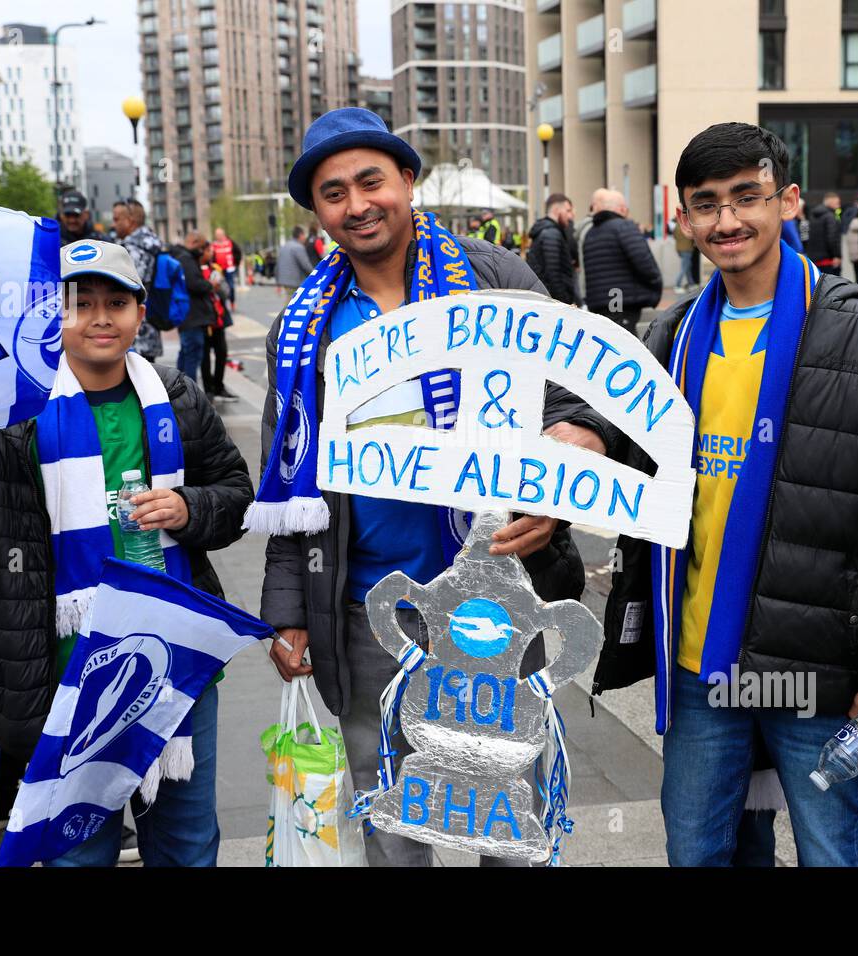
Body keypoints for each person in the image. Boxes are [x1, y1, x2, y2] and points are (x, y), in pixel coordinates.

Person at [251, 107, 617, 867]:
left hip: (495, 599)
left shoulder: (494, 278)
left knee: (507, 808)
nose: (356, 205)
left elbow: (574, 396)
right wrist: (286, 614)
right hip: (366, 609)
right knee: (388, 813)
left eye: (371, 182)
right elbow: (289, 484)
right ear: (317, 211)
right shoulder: (304, 327)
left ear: (407, 180)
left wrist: (565, 469)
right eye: (333, 193)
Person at [595, 122, 858, 867]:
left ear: (786, 201)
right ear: (684, 219)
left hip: (816, 676)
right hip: (698, 665)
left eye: (746, 197)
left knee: (833, 853)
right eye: (707, 204)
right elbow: (620, 472)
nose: (727, 220)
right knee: (696, 850)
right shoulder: (672, 335)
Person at [0, 240, 251, 866]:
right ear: (50, 315)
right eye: (79, 303)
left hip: (177, 660)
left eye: (116, 301)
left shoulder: (176, 396)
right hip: (67, 670)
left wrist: (188, 509)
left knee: (186, 841)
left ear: (139, 312)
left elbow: (236, 495)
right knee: (77, 852)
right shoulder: (15, 416)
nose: (100, 316)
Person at [581, 188, 663, 337]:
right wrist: (655, 290)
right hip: (620, 301)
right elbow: (644, 263)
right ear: (621, 208)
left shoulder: (591, 233)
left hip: (599, 303)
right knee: (627, 346)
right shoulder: (623, 227)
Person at [112, 198, 165, 362]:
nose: (114, 225)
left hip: (136, 334)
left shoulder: (133, 249)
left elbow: (126, 286)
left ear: (130, 221)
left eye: (117, 219)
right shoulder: (151, 243)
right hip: (148, 327)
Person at [171, 231, 216, 385]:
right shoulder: (186, 260)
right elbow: (194, 284)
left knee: (186, 354)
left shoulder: (184, 258)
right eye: (202, 246)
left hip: (188, 317)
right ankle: (189, 394)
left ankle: (179, 390)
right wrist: (211, 285)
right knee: (192, 356)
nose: (203, 250)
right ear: (194, 242)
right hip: (192, 317)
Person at [525, 193, 578, 304]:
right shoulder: (551, 234)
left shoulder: (548, 232)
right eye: (568, 211)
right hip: (554, 300)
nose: (571, 216)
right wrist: (563, 302)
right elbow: (553, 273)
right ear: (556, 210)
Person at [199, 239, 234, 401]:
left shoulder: (215, 269)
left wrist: (219, 286)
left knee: (222, 352)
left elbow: (225, 291)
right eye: (208, 250)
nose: (211, 253)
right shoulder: (195, 271)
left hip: (218, 318)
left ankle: (219, 385)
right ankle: (209, 389)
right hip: (205, 319)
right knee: (204, 356)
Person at [804, 191, 843, 275]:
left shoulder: (813, 215)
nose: (838, 205)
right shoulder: (830, 216)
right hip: (828, 260)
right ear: (830, 201)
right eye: (837, 203)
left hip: (814, 259)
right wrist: (837, 256)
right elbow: (832, 238)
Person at [275, 225, 313, 292]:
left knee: (288, 300)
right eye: (304, 235)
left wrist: (278, 281)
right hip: (294, 283)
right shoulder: (298, 247)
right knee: (293, 301)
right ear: (301, 235)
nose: (305, 238)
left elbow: (277, 265)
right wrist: (316, 274)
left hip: (284, 281)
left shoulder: (285, 246)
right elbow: (306, 265)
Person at [211, 227, 237, 306]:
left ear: (223, 234)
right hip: (219, 269)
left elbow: (237, 252)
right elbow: (211, 256)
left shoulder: (230, 243)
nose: (218, 236)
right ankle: (223, 303)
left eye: (220, 234)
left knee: (231, 286)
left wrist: (237, 263)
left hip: (229, 268)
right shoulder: (214, 245)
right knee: (220, 287)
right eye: (217, 235)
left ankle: (232, 301)